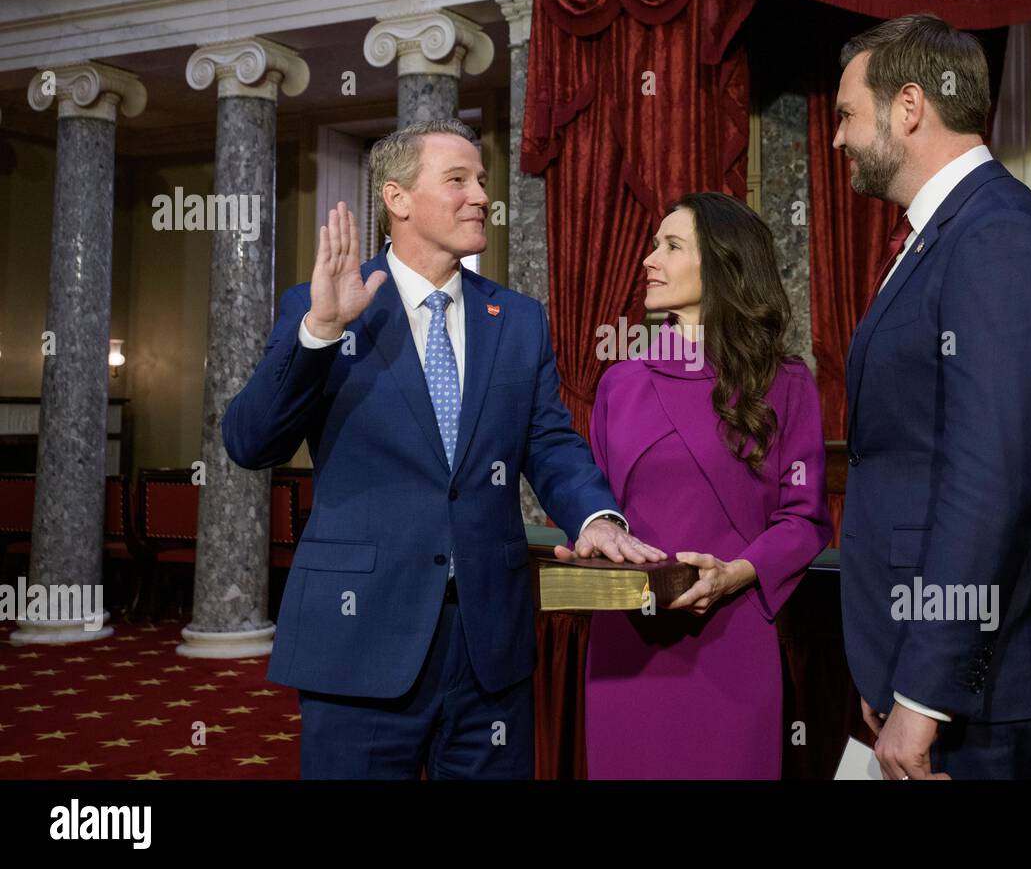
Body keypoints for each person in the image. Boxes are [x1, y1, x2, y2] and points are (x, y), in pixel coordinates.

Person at [222, 118, 665, 779]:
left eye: (481, 180)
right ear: (397, 199)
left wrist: (595, 517)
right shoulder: (322, 306)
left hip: (488, 645)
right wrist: (318, 331)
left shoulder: (517, 319)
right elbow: (250, 442)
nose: (481, 195)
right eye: (456, 179)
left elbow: (548, 443)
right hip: (360, 638)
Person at [832, 15, 1031, 779]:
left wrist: (923, 694)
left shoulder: (995, 238)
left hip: (993, 691)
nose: (839, 140)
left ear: (910, 106)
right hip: (943, 670)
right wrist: (893, 668)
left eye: (847, 115)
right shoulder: (944, 234)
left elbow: (990, 483)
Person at [558, 191, 832, 779]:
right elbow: (602, 510)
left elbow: (804, 519)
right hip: (623, 647)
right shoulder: (618, 383)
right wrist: (588, 549)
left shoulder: (785, 383)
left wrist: (737, 572)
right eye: (655, 244)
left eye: (671, 246)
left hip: (731, 640)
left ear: (724, 264)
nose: (649, 259)